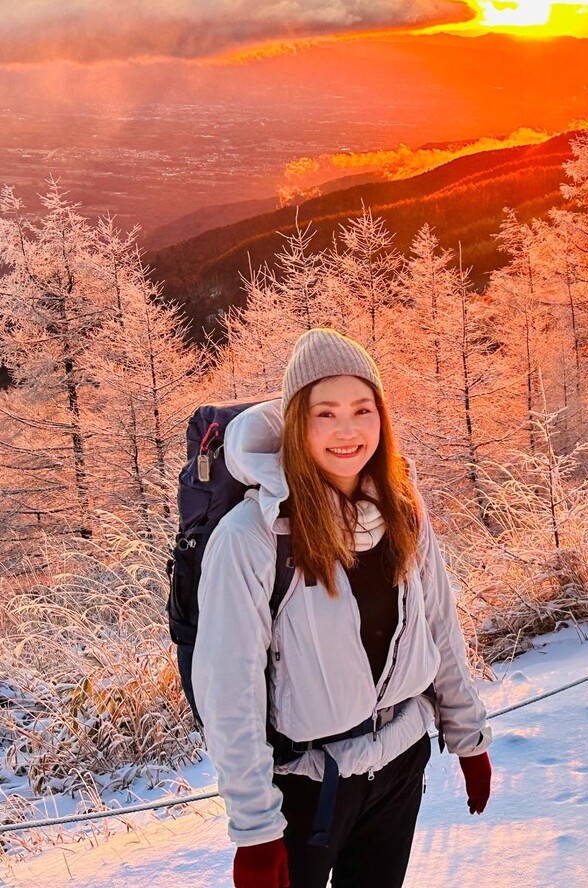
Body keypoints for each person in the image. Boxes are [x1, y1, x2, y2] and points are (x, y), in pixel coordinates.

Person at [194, 328, 492, 888]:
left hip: (401, 761)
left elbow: (438, 626)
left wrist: (467, 735)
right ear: (295, 423)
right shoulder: (253, 537)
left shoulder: (403, 507)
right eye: (324, 413)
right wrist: (256, 830)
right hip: (307, 788)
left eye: (362, 408)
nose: (347, 430)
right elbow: (227, 690)